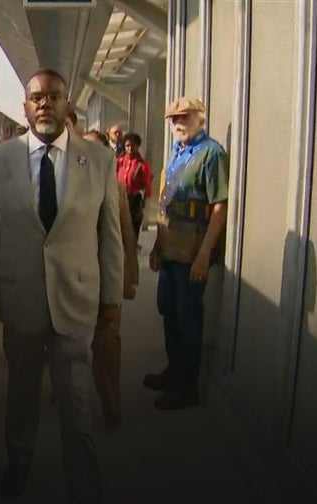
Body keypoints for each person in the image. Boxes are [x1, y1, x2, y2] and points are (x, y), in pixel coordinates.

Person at [0, 68, 124, 504]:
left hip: (76, 300)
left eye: (53, 96)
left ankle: (84, 479)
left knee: (76, 400)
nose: (45, 104)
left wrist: (112, 299)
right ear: (25, 106)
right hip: (21, 300)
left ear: (66, 103)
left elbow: (110, 236)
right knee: (21, 393)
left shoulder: (98, 161)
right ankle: (19, 462)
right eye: (36, 97)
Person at [145, 96, 228, 410]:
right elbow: (167, 204)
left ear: (200, 119)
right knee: (168, 310)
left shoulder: (212, 154)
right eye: (173, 118)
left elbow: (219, 209)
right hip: (170, 248)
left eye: (185, 116)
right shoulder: (177, 153)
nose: (178, 123)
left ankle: (187, 385)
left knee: (188, 316)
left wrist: (205, 254)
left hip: (192, 250)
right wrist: (157, 245)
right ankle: (174, 370)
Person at [83, 130, 139, 430]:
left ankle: (111, 409)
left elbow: (126, 235)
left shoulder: (116, 188)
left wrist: (129, 278)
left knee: (107, 346)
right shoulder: (64, 184)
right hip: (75, 282)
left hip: (106, 280)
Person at [116, 132, 153, 241]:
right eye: (127, 145)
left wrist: (144, 204)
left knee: (132, 231)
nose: (130, 148)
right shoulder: (120, 162)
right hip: (119, 199)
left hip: (134, 201)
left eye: (133, 145)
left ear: (138, 146)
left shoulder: (142, 165)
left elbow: (148, 186)